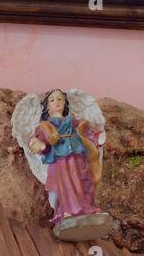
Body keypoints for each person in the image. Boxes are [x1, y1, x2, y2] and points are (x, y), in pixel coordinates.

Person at [29, 88, 106, 225]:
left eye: (60, 99)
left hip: (77, 156)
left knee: (84, 181)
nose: (57, 102)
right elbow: (43, 146)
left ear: (65, 103)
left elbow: (85, 132)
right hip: (60, 161)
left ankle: (88, 209)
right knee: (65, 184)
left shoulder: (73, 122)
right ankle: (67, 211)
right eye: (52, 100)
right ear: (47, 107)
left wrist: (97, 138)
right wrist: (39, 145)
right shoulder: (45, 126)